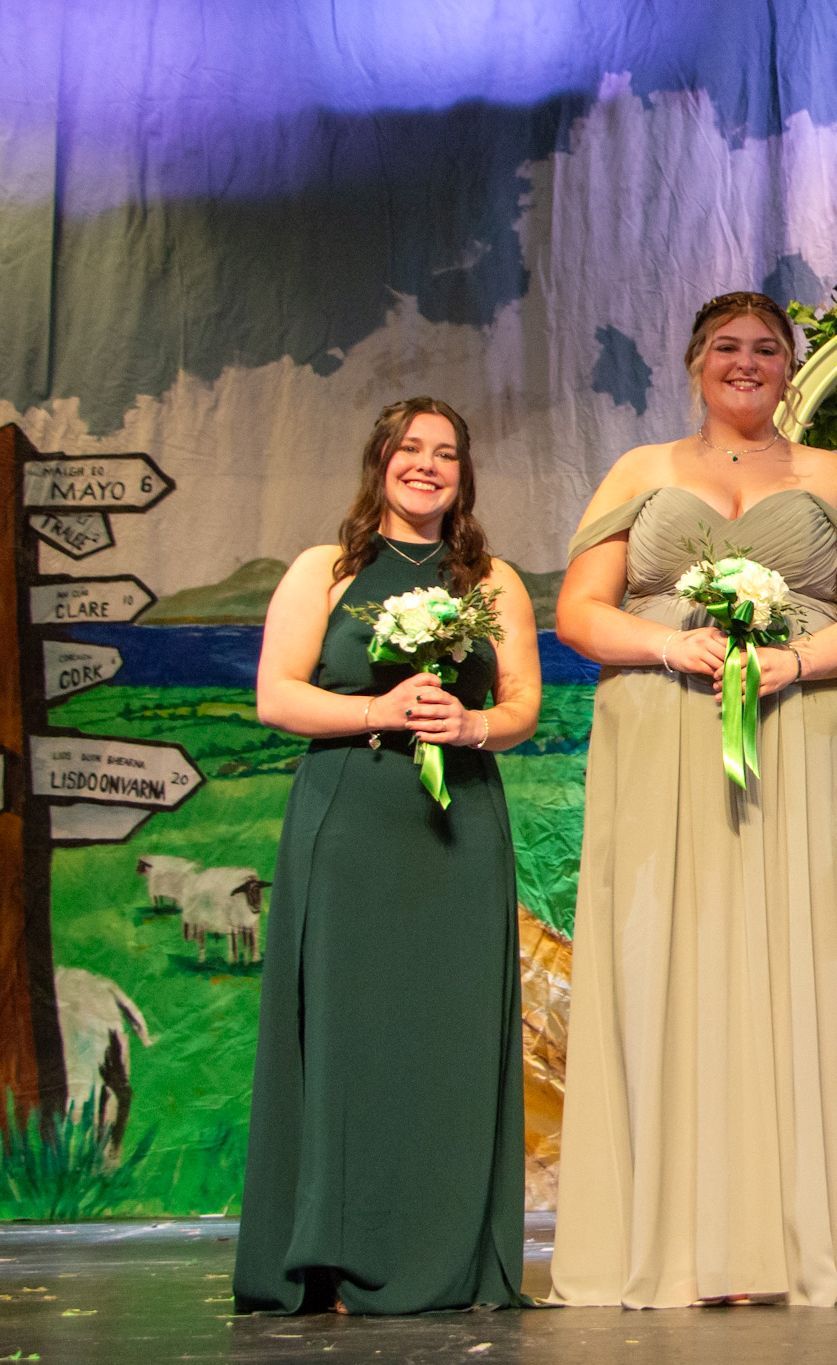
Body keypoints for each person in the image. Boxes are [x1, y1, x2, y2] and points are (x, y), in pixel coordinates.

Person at [549, 291, 837, 1308]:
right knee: (670, 955)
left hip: (799, 738)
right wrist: (667, 642)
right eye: (725, 347)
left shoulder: (829, 476)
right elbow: (578, 610)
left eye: (764, 350)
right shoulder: (640, 471)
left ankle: (793, 1240)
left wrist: (794, 660)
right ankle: (676, 1240)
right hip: (664, 734)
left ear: (787, 369)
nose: (744, 363)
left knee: (795, 958)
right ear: (693, 360)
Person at [237, 397, 542, 1314]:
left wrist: (474, 722)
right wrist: (379, 711)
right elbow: (277, 697)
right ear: (379, 461)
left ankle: (449, 1256)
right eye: (410, 448)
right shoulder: (323, 571)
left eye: (446, 453)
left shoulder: (495, 582)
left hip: (457, 832)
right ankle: (331, 1255)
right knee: (347, 1034)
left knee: (448, 1038)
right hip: (352, 822)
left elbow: (523, 705)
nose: (428, 465)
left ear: (465, 474)